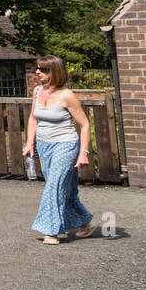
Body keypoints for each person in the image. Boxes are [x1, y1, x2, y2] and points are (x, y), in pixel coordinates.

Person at [24, 55, 94, 245]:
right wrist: (29, 143)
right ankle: (84, 220)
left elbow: (85, 125)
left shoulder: (67, 96)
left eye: (43, 69)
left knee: (53, 186)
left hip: (66, 146)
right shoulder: (37, 91)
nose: (37, 72)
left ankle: (51, 230)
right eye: (37, 68)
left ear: (55, 71)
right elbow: (33, 119)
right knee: (66, 188)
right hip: (43, 145)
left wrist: (83, 152)